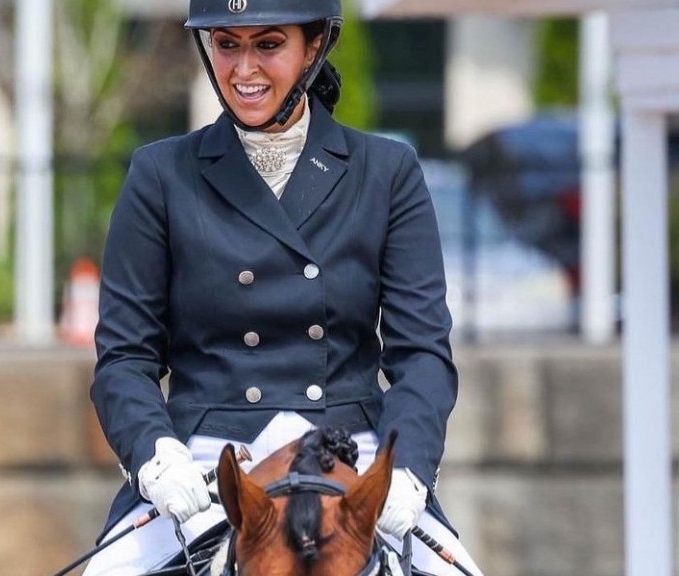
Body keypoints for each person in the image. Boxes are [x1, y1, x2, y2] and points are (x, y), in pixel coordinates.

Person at [86, 1, 484, 574]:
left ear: (313, 45)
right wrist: (156, 455)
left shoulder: (386, 171)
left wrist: (408, 469)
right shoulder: (161, 174)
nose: (244, 69)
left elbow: (421, 352)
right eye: (227, 45)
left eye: (268, 44)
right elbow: (124, 356)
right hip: (208, 463)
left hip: (348, 453)